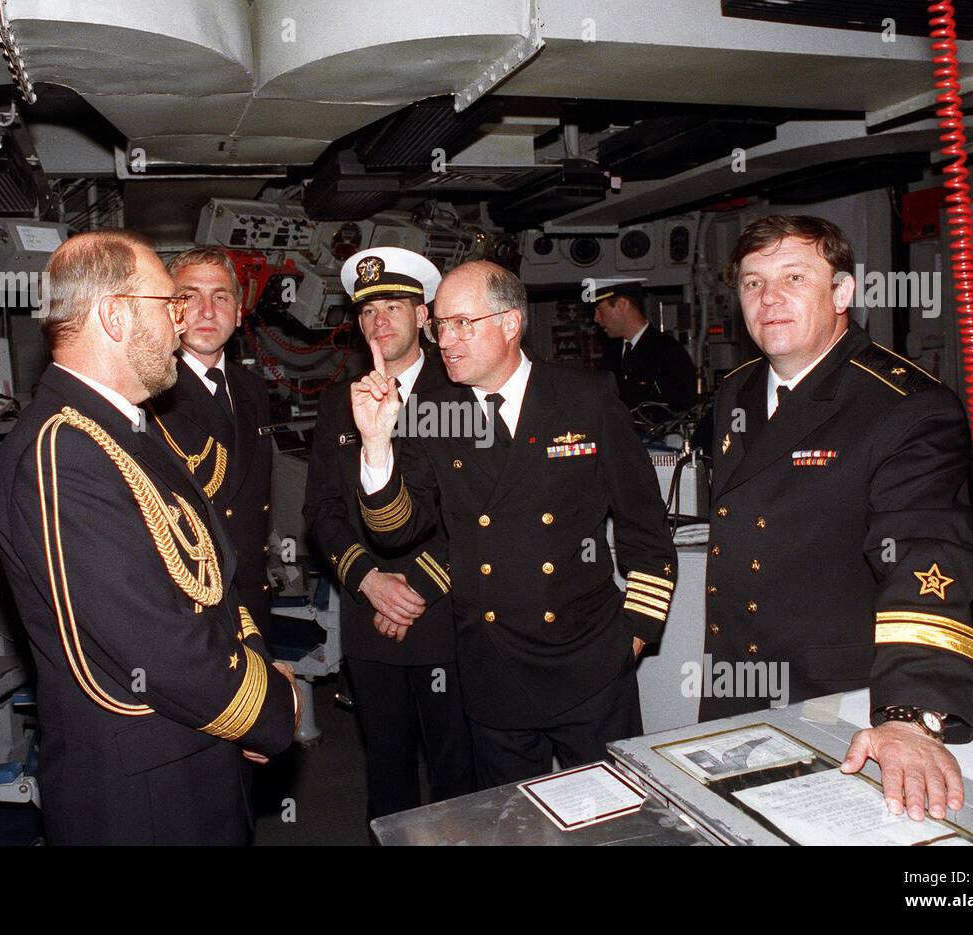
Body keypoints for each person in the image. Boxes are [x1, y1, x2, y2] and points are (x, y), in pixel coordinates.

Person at [0, 230, 298, 845]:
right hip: (143, 793)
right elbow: (155, 642)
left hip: (194, 747)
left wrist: (256, 667)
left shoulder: (123, 428)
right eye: (170, 305)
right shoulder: (62, 448)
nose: (181, 324)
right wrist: (269, 708)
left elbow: (210, 572)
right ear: (113, 315)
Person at [352, 260, 678, 788]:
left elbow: (646, 527)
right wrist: (375, 443)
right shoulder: (431, 410)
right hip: (492, 667)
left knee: (612, 819)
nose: (445, 341)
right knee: (510, 826)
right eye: (439, 326)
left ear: (510, 323)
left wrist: (636, 635)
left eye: (462, 323)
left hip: (589, 661)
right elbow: (396, 530)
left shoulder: (585, 397)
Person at [703, 214, 973, 822]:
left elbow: (925, 558)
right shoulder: (736, 392)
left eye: (794, 277)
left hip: (840, 702)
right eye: (753, 283)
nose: (769, 299)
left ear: (842, 294)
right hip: (735, 685)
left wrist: (909, 714)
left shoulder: (906, 407)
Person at [303, 246, 474, 819]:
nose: (380, 320)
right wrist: (369, 581)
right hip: (368, 613)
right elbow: (322, 508)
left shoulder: (463, 397)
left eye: (395, 306)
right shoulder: (337, 404)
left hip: (443, 616)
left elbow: (478, 514)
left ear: (424, 316)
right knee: (387, 773)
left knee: (458, 772)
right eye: (368, 309)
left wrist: (416, 591)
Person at [145, 246, 276, 639]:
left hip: (251, 596)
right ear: (171, 308)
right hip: (187, 608)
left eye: (220, 297)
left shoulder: (252, 388)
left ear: (238, 312)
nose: (206, 311)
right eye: (189, 296)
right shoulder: (147, 391)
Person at [594, 280, 698, 413]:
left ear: (621, 305)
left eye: (599, 310)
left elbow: (681, 407)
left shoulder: (668, 352)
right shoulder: (611, 355)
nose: (596, 318)